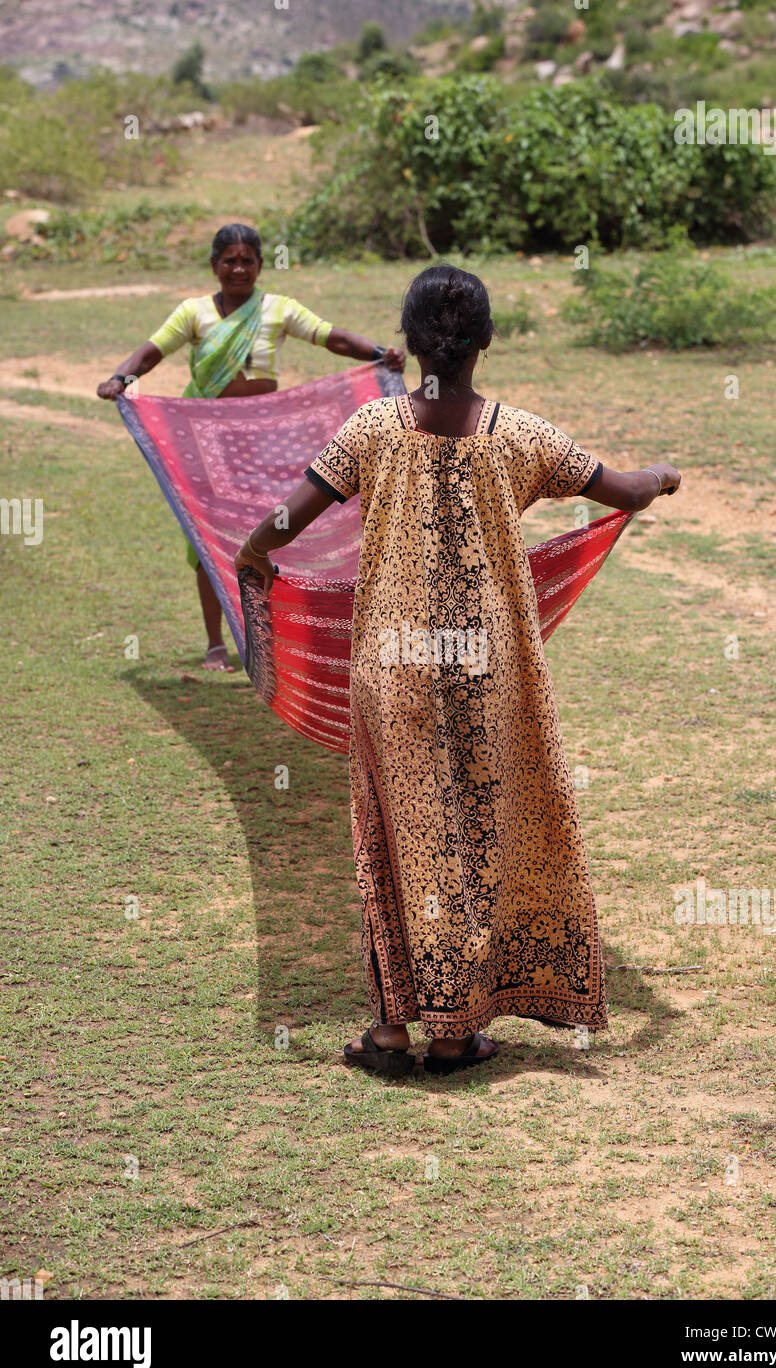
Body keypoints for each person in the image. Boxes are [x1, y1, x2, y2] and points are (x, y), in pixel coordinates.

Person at [234, 264, 681, 1076]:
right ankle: (457, 1028)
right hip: (486, 668)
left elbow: (283, 519)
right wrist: (660, 479)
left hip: (392, 670)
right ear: (486, 340)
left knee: (396, 837)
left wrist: (253, 553)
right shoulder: (522, 437)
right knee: (478, 834)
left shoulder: (370, 430)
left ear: (408, 343)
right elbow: (624, 489)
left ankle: (394, 1030)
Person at [97, 223, 405, 670]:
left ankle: (266, 638)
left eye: (247, 261)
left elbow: (331, 337)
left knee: (266, 535)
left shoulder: (277, 309)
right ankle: (215, 644)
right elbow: (152, 352)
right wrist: (121, 379)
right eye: (229, 261)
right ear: (214, 265)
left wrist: (378, 353)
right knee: (206, 535)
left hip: (262, 440)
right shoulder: (194, 313)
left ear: (260, 265)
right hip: (203, 441)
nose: (238, 269)